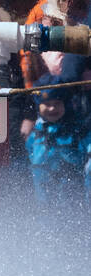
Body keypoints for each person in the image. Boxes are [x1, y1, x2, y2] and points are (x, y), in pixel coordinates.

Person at [20, 0, 91, 90]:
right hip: (50, 95)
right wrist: (35, 93)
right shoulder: (40, 15)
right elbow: (29, 60)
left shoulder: (87, 16)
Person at [24, 74, 91, 205]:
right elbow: (26, 161)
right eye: (47, 104)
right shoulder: (35, 134)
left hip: (74, 200)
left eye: (57, 103)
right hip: (42, 201)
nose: (52, 108)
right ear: (39, 106)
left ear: (65, 104)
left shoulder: (77, 131)